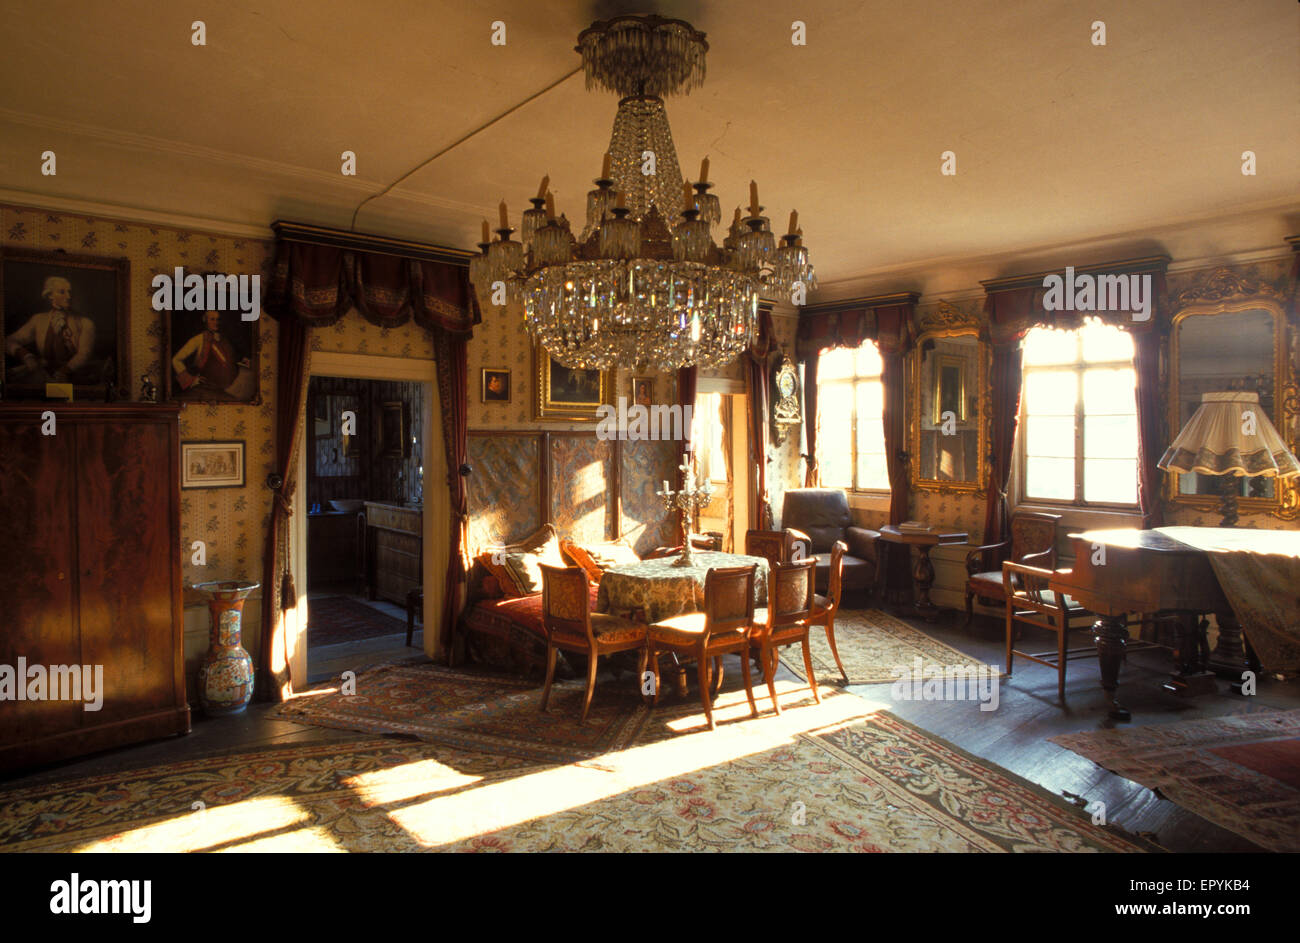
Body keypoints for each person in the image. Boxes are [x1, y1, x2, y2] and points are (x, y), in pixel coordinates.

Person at [5, 276, 97, 384]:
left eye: (69, 292)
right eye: (62, 292)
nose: (68, 296)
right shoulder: (38, 320)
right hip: (42, 376)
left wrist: (64, 371)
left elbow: (84, 354)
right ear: (50, 295)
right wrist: (26, 356)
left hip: (74, 378)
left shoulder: (85, 323)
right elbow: (7, 341)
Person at [172, 310, 246, 395]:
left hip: (227, 389)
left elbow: (228, 360)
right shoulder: (199, 339)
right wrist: (193, 380)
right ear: (205, 320)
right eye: (212, 319)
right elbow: (176, 360)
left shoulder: (224, 339)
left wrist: (242, 360)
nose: (216, 322)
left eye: (218, 319)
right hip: (205, 390)